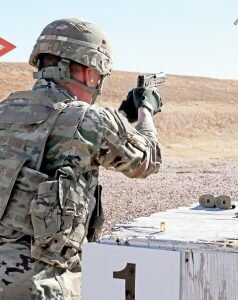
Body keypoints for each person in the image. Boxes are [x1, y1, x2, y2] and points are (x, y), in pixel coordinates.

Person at [0, 18, 162, 299]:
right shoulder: (92, 121)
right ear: (89, 72)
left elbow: (65, 142)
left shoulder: (4, 110)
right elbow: (148, 159)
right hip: (41, 287)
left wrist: (122, 119)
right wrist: (146, 110)